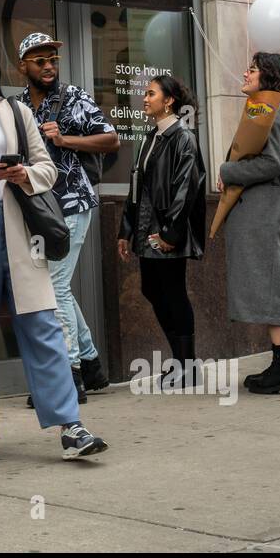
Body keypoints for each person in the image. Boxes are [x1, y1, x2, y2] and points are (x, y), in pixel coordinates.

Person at [0, 32, 108, 463]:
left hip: (18, 229)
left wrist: (24, 176)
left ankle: (71, 426)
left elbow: (47, 168)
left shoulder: (14, 113)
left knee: (41, 323)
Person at [16, 32, 119, 401]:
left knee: (54, 285)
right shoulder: (18, 106)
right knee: (57, 285)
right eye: (40, 61)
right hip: (38, 209)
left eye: (52, 60)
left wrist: (65, 140)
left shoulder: (73, 98)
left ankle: (67, 376)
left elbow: (111, 139)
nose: (48, 67)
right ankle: (91, 365)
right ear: (22, 66)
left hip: (72, 202)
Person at [218, 52, 280, 394]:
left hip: (268, 220)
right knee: (273, 288)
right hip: (266, 218)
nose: (245, 72)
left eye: (252, 70)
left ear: (268, 77)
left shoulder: (277, 114)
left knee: (274, 289)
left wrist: (228, 171)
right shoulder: (270, 112)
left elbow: (272, 164)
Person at [117, 74, 206, 386]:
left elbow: (187, 188)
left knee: (173, 293)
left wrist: (170, 234)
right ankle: (181, 362)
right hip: (146, 230)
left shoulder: (183, 138)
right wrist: (125, 230)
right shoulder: (149, 136)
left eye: (152, 93)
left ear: (169, 101)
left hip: (167, 232)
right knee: (152, 290)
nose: (145, 98)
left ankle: (188, 366)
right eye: (145, 93)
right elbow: (136, 186)